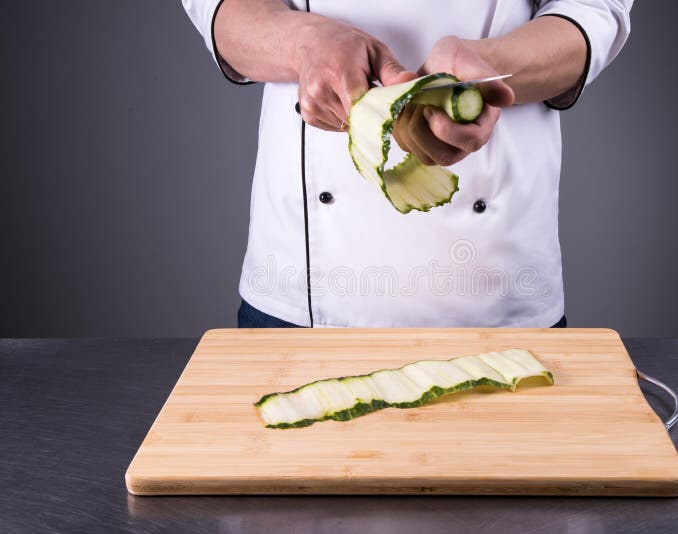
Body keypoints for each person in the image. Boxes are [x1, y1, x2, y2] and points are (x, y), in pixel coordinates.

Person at [182, 0, 632, 328]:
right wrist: (303, 44)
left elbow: (593, 9)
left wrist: (492, 66)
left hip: (498, 295)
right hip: (299, 300)